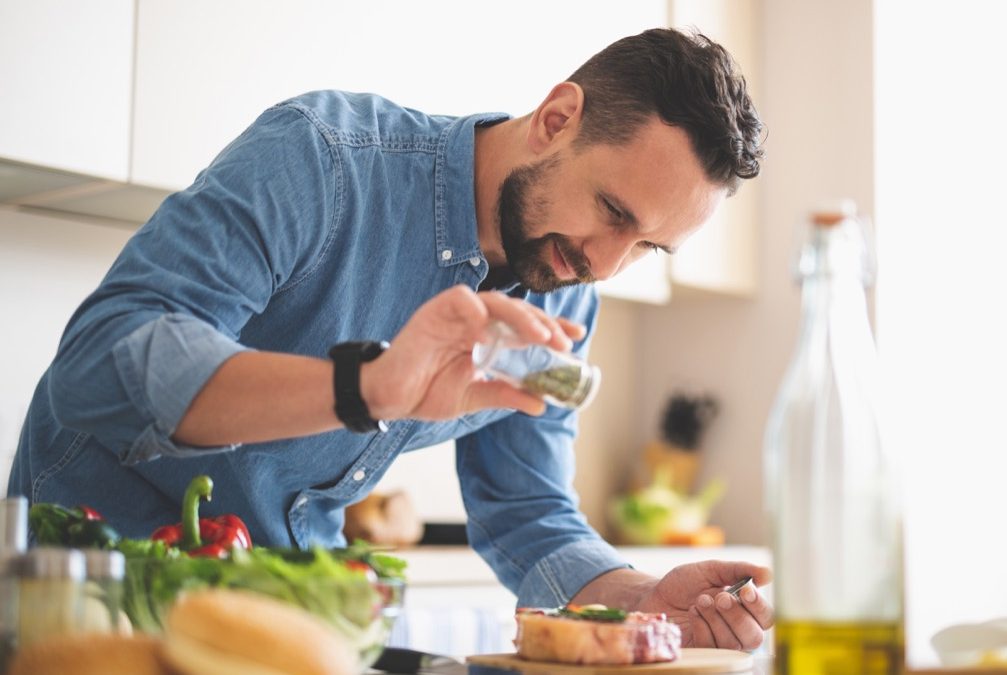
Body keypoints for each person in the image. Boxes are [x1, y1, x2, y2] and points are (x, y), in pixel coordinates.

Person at [8, 28, 770, 648]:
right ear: (557, 118)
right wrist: (366, 386)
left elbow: (527, 506)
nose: (606, 262)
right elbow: (100, 362)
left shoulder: (563, 286)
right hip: (92, 614)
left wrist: (644, 597)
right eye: (613, 209)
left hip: (284, 627)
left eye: (647, 247)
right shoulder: (321, 160)